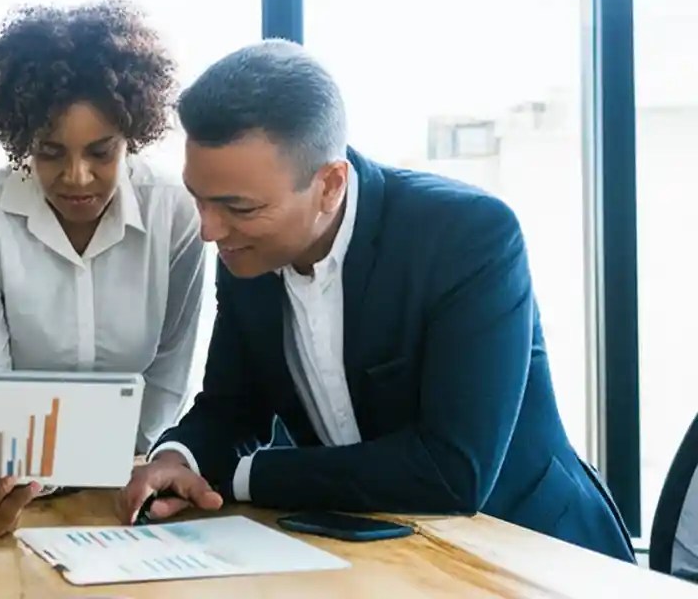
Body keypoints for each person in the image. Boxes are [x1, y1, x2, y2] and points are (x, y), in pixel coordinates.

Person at [116, 39, 635, 562]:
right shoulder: (248, 253)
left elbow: (451, 472)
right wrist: (181, 458)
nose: (209, 230)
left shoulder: (467, 237)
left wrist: (238, 475)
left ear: (329, 186)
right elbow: (233, 407)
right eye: (199, 198)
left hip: (532, 554)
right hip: (373, 557)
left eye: (238, 207)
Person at [0, 0, 204, 538]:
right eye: (50, 152)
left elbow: (169, 372)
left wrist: (131, 460)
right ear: (20, 142)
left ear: (133, 134)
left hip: (127, 491)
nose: (77, 176)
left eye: (101, 153)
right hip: (16, 495)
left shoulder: (175, 212)